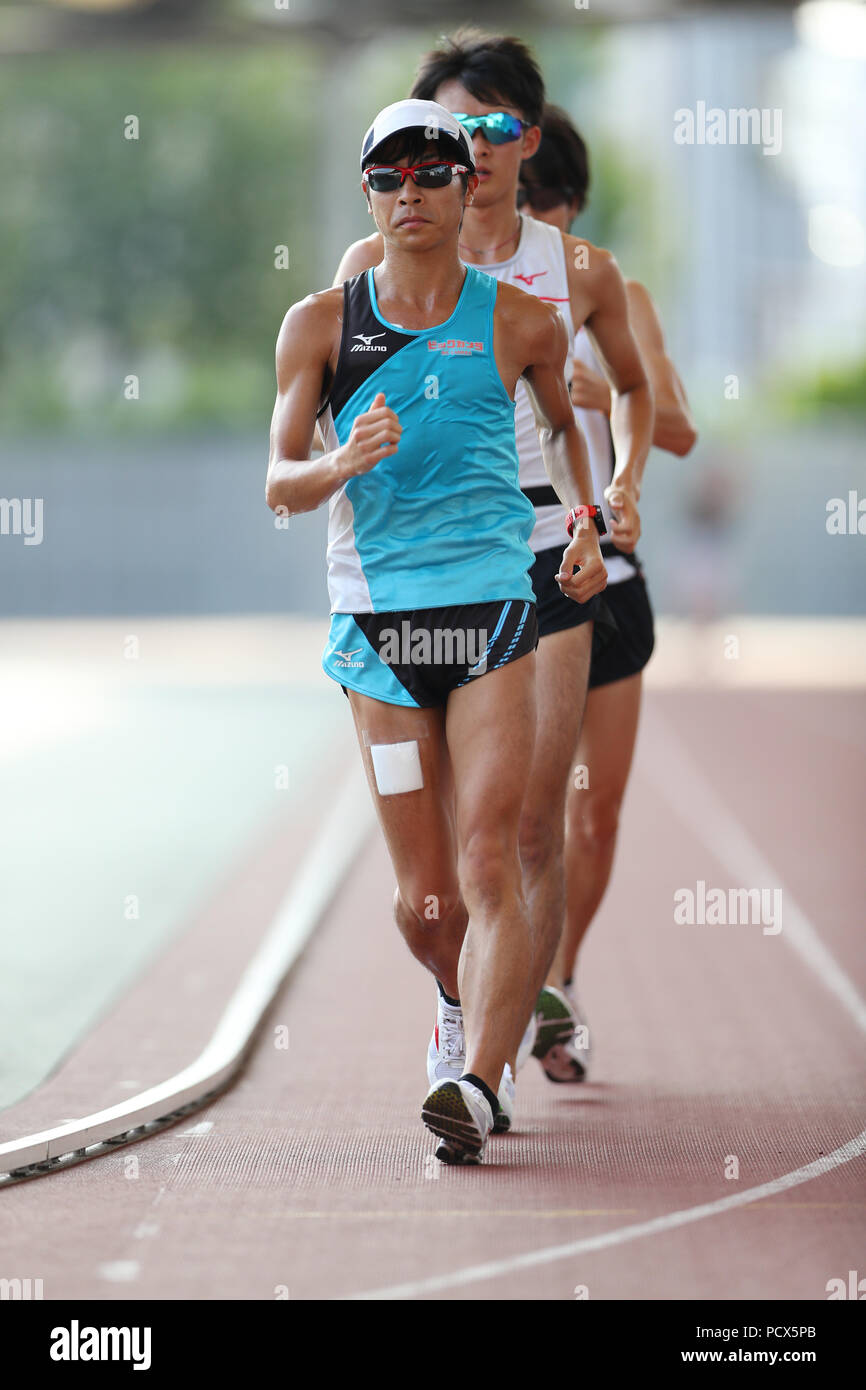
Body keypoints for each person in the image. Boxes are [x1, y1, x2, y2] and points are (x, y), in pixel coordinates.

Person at [266, 99, 607, 1162]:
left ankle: (478, 1084)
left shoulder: (521, 321)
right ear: (369, 196)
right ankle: (456, 1003)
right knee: (424, 903)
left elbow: (566, 431)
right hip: (379, 635)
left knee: (489, 858)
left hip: (491, 615)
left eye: (429, 174)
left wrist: (585, 523)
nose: (408, 193)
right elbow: (279, 483)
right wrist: (341, 461)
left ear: (469, 189)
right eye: (388, 178)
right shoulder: (320, 325)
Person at [333, 30, 653, 1115]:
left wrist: (611, 495)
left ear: (528, 138)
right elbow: (323, 415)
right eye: (448, 129)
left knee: (523, 827)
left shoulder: (577, 273)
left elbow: (627, 392)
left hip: (544, 558)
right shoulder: (367, 267)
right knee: (432, 879)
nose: (468, 147)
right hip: (418, 578)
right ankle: (460, 996)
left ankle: (485, 1069)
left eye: (494, 125)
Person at [519, 105, 698, 1073]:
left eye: (548, 198)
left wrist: (601, 400)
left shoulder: (611, 291)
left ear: (574, 202)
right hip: (520, 576)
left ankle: (560, 978)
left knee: (594, 813)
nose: (533, 215)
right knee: (520, 816)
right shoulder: (478, 290)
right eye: (519, 196)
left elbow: (679, 428)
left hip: (612, 578)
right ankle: (494, 1003)